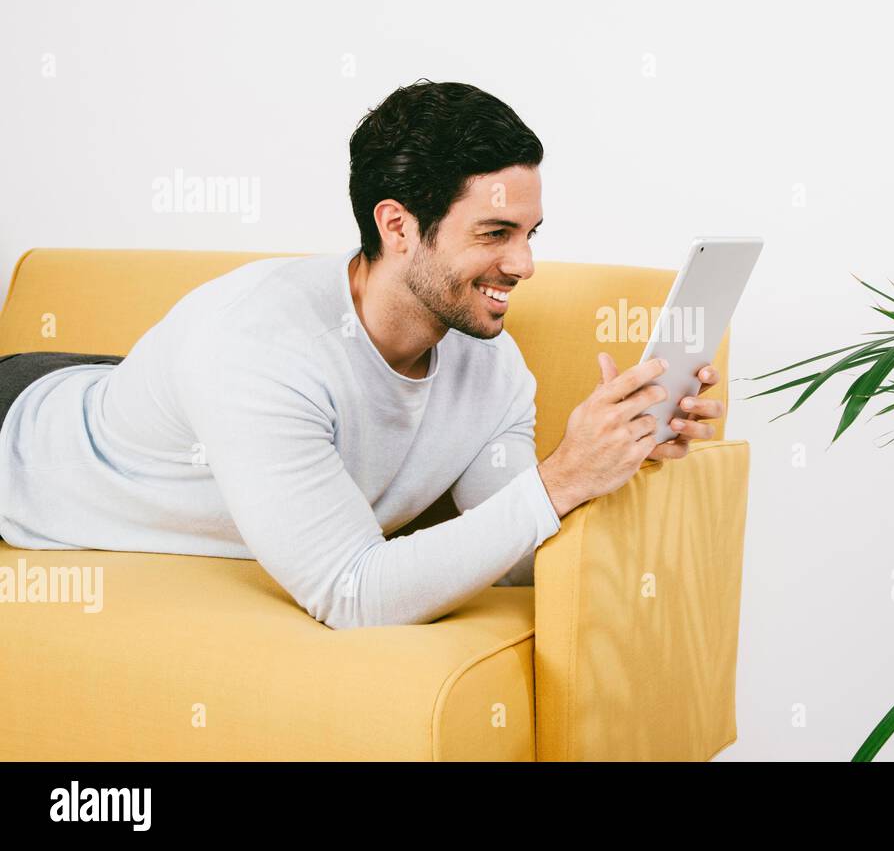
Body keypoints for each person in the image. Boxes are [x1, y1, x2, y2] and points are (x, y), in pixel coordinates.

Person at [0, 80, 723, 629]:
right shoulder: (258, 348)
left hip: (156, 396)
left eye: (531, 233)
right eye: (495, 233)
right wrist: (562, 478)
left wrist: (620, 454)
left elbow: (515, 550)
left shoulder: (490, 362)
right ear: (399, 226)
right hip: (27, 440)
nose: (525, 264)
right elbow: (352, 593)